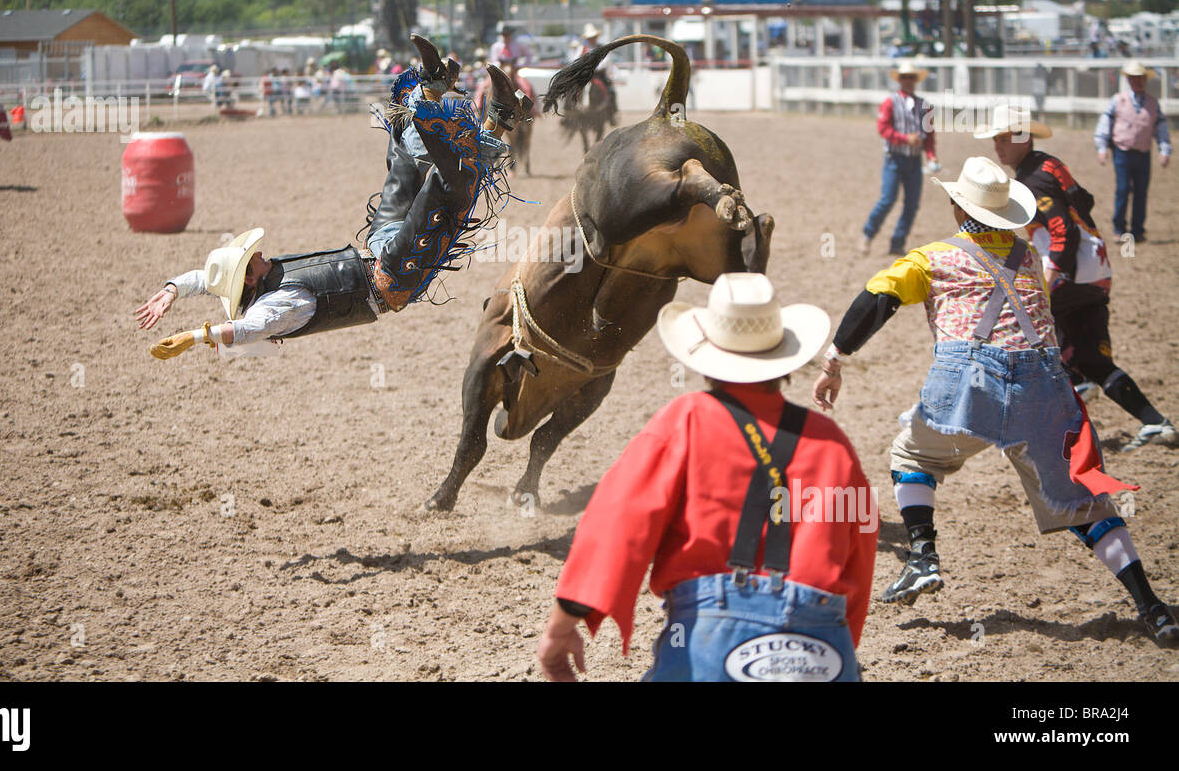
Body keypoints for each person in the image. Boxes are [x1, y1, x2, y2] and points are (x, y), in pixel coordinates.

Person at [813, 155, 1178, 647]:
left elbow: (877, 298)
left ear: (956, 206)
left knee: (911, 455)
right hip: (1044, 388)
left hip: (969, 385)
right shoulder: (1027, 256)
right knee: (1087, 505)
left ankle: (922, 557)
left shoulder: (931, 257)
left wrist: (835, 357)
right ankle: (1152, 608)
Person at [538, 274, 878, 682]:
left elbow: (620, 521)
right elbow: (861, 549)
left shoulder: (686, 420)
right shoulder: (832, 442)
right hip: (821, 642)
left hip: (711, 636)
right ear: (782, 355)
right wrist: (838, 638)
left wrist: (564, 622)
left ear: (707, 352)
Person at [139, 36, 528, 356]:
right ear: (249, 284)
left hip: (377, 248)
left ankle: (433, 86)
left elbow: (207, 280)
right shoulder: (274, 309)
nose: (257, 254)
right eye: (249, 263)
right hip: (393, 275)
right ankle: (497, 122)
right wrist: (195, 336)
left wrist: (173, 289)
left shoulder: (265, 280)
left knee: (401, 159)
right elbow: (245, 330)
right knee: (442, 189)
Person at [978, 104, 1178, 452]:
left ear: (1023, 138)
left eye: (1003, 138)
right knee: (1091, 358)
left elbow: (1062, 233)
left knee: (1019, 338)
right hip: (1097, 270)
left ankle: (1043, 415)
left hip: (1070, 274)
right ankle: (1154, 421)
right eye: (995, 139)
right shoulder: (1050, 163)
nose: (998, 147)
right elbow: (1086, 199)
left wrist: (1049, 279)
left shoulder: (1031, 180)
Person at [859, 61, 938, 256]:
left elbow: (929, 135)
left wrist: (931, 156)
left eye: (911, 77)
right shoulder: (891, 102)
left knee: (912, 204)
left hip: (913, 161)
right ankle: (868, 234)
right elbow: (883, 129)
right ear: (900, 80)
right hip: (894, 158)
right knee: (887, 199)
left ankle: (898, 242)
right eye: (905, 77)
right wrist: (905, 139)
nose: (908, 81)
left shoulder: (924, 106)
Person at [1094, 60, 1170, 242]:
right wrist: (1102, 147)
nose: (1137, 81)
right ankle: (1119, 227)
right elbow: (1106, 123)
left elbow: (1160, 128)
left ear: (1145, 79)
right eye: (1133, 78)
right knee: (1122, 189)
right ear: (1128, 80)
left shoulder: (1152, 103)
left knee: (1141, 191)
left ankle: (1138, 230)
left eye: (1140, 78)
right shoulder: (1118, 100)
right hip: (1122, 151)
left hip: (1143, 152)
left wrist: (1164, 149)